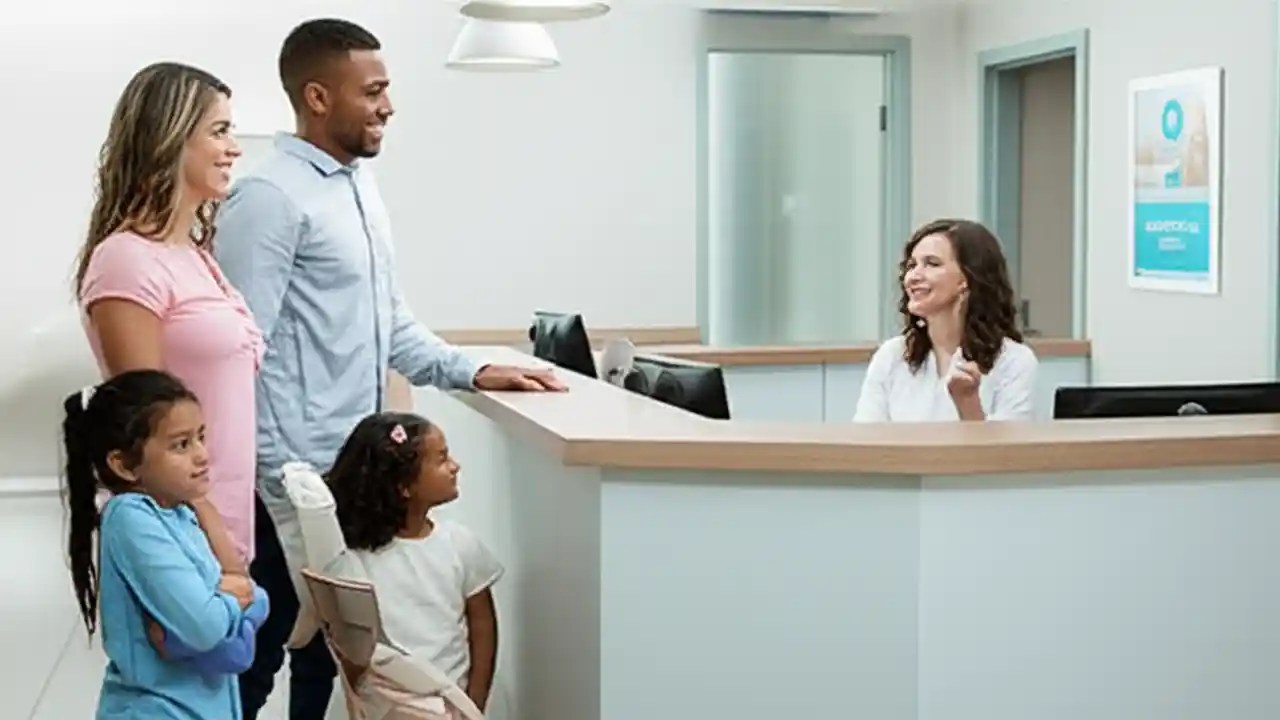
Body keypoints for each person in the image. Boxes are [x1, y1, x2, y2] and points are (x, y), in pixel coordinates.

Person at [212, 19, 563, 718]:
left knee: (333, 656)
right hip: (294, 478)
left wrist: (472, 370)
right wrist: (286, 480)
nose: (388, 106)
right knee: (260, 654)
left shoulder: (357, 188)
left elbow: (390, 324)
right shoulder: (270, 199)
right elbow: (241, 353)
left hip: (347, 476)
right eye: (372, 91)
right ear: (317, 96)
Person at [73, 61, 263, 571]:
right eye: (220, 131)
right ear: (171, 140)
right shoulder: (126, 261)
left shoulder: (195, 256)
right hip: (182, 540)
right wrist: (220, 549)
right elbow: (146, 429)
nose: (235, 148)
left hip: (225, 524)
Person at [62, 369, 267, 718]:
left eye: (201, 437)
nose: (201, 454)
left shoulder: (178, 512)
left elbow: (255, 597)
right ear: (125, 465)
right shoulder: (131, 517)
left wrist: (226, 600)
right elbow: (207, 627)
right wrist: (230, 603)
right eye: (181, 444)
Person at [327, 412, 503, 712]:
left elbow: (483, 625)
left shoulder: (459, 544)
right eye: (441, 458)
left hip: (450, 705)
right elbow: (351, 646)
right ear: (403, 487)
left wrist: (474, 702)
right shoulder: (354, 560)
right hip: (385, 708)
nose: (455, 466)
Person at [853, 219, 1037, 422]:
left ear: (966, 279)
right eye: (911, 265)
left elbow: (1007, 452)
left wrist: (968, 404)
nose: (913, 276)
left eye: (932, 264)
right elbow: (866, 440)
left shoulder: (1014, 362)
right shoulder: (892, 356)